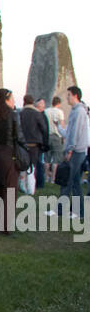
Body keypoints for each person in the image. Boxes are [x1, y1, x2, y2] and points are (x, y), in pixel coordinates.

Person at [0, 88, 23, 230]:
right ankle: (6, 226)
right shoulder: (13, 115)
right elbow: (19, 136)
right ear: (7, 100)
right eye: (12, 98)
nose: (14, 101)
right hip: (9, 152)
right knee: (10, 189)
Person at [61, 84, 88, 216]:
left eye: (69, 95)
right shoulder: (75, 111)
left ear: (75, 96)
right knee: (76, 182)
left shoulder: (79, 111)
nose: (67, 98)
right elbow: (69, 132)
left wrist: (70, 150)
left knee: (67, 180)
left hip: (76, 151)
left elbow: (75, 133)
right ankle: (79, 211)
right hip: (76, 150)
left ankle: (60, 210)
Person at [19, 94, 49, 189]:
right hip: (35, 143)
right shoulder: (37, 114)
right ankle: (31, 187)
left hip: (23, 143)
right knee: (33, 165)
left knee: (23, 165)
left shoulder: (20, 113)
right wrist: (45, 142)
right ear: (33, 102)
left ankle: (23, 185)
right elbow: (44, 129)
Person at [46, 94, 65, 183]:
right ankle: (53, 178)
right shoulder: (60, 112)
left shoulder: (46, 111)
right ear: (59, 103)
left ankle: (46, 177)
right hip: (57, 135)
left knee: (47, 158)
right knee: (56, 158)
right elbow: (61, 125)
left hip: (47, 135)